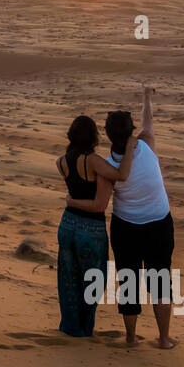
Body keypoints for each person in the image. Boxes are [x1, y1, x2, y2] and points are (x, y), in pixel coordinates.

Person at [66, 87, 175, 349]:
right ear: (131, 131)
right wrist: (147, 99)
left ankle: (130, 338)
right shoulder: (146, 144)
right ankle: (163, 339)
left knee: (128, 279)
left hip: (126, 229)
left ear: (107, 134)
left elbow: (100, 203)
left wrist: (72, 200)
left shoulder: (107, 168)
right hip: (159, 225)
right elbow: (148, 122)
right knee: (160, 279)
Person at [55, 116, 137, 336]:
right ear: (93, 136)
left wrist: (72, 202)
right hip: (90, 229)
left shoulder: (61, 161)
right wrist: (129, 147)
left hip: (67, 224)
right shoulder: (92, 160)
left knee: (68, 281)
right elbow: (122, 175)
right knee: (93, 282)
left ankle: (71, 327)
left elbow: (76, 193)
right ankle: (83, 330)